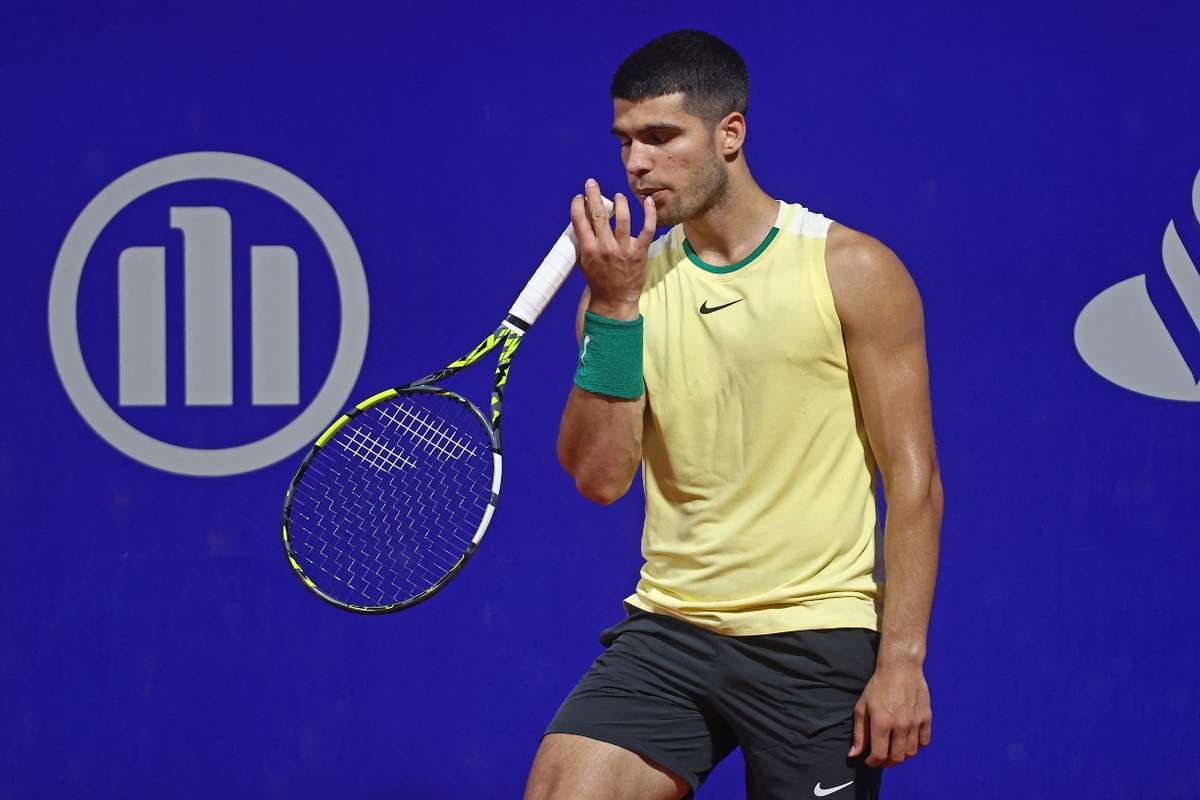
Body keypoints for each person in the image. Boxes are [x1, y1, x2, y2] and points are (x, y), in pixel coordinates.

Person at [525, 29, 942, 800]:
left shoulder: (852, 270)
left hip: (815, 639)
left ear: (730, 134)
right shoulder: (624, 292)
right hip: (671, 630)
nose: (636, 163)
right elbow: (600, 479)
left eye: (660, 137)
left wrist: (902, 660)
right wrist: (615, 307)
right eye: (624, 141)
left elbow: (912, 481)